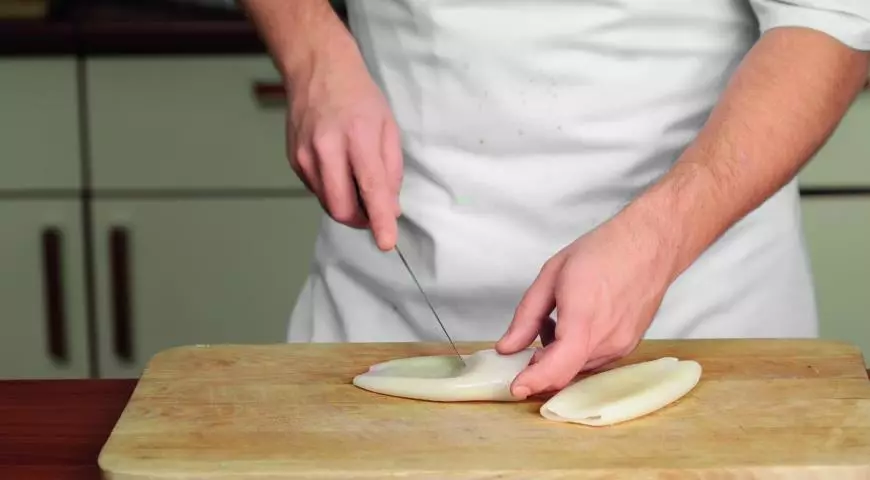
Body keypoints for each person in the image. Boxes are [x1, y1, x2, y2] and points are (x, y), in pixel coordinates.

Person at [241, 0, 870, 399]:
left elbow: (833, 21)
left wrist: (659, 239)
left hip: (698, 310)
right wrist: (312, 50)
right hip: (384, 310)